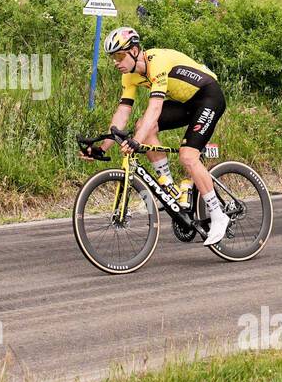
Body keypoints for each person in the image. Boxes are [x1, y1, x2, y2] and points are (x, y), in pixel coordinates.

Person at [92, 26, 230, 245]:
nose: (116, 62)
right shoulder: (129, 77)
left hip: (208, 96)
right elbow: (122, 113)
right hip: (185, 103)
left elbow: (155, 109)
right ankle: (170, 187)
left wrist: (136, 141)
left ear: (135, 50)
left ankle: (218, 215)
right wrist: (102, 148)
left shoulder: (157, 62)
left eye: (119, 55)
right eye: (113, 58)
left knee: (187, 156)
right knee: (142, 126)